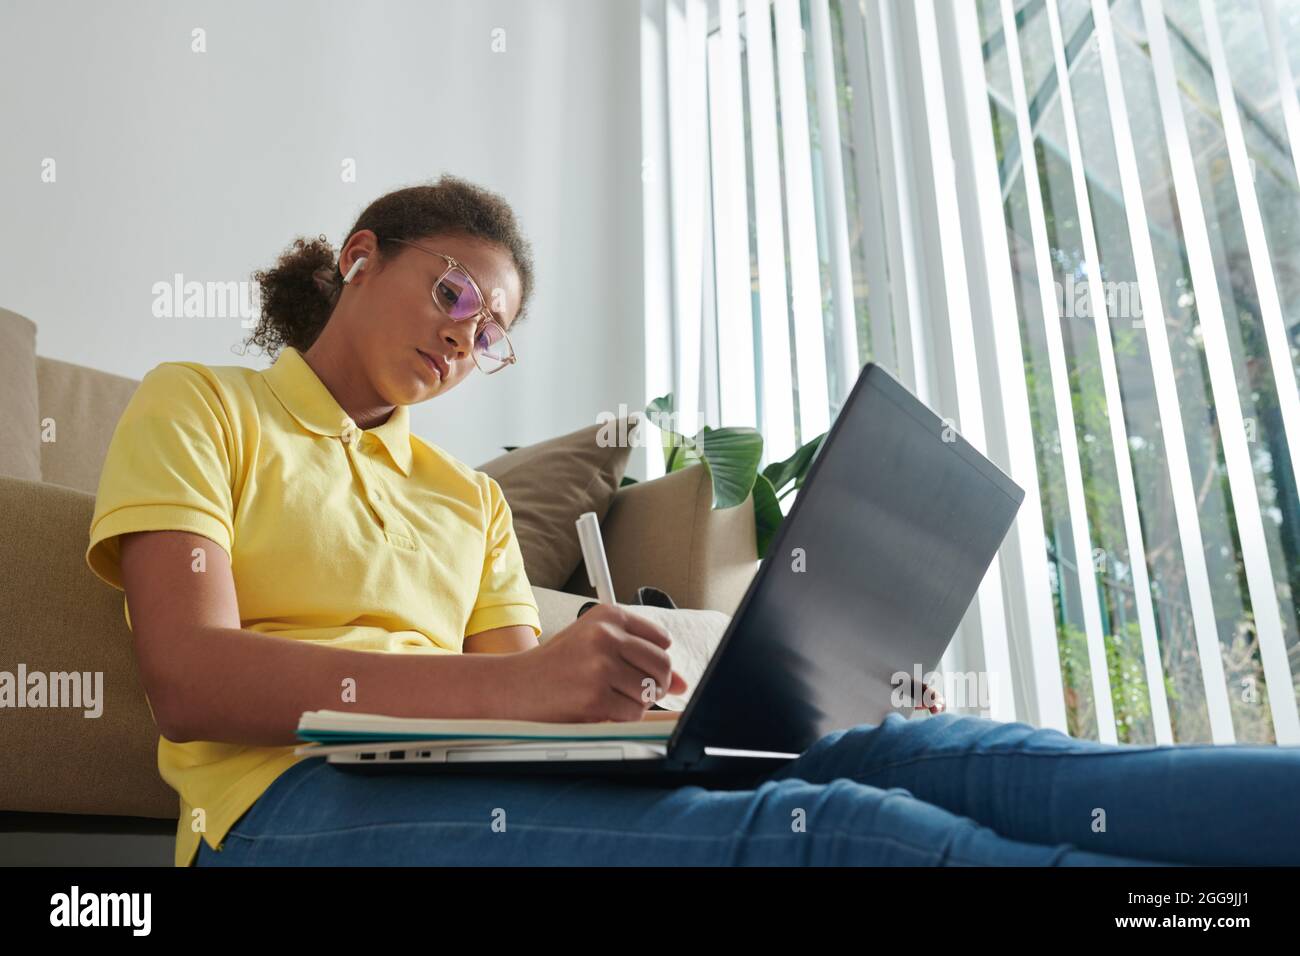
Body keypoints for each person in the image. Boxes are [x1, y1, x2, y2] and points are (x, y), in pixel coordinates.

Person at [86, 176, 1300, 868]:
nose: (468, 334)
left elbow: (522, 696)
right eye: (454, 291)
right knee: (825, 832)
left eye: (493, 330)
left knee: (922, 756)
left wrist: (669, 708)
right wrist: (520, 695)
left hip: (448, 771)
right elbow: (189, 675)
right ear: (360, 258)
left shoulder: (463, 501)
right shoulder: (204, 404)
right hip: (277, 804)